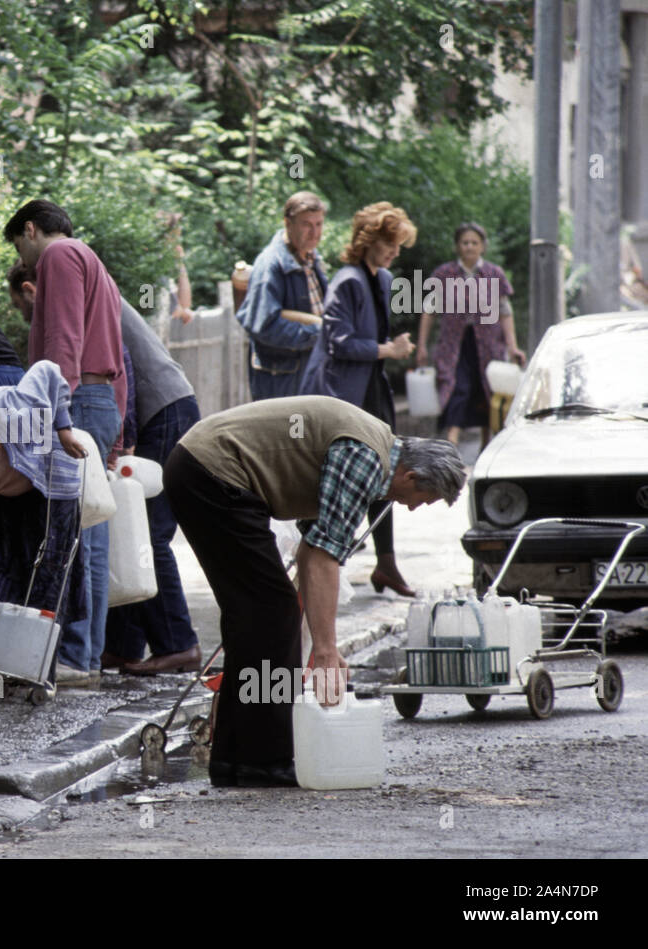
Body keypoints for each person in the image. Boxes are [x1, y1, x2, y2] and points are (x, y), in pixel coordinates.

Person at [165, 395, 465, 786]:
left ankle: (234, 759)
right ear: (410, 476)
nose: (410, 508)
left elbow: (311, 551)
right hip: (213, 474)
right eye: (420, 500)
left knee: (258, 618)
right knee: (272, 614)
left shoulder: (370, 449)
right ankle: (264, 760)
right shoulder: (365, 457)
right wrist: (325, 649)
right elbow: (324, 556)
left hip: (203, 471)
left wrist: (314, 631)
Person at [3, 201, 125, 685]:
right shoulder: (92, 260)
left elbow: (64, 339)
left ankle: (76, 656)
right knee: (89, 533)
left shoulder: (59, 255)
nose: (25, 262)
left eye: (19, 246)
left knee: (74, 533)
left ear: (30, 230)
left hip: (77, 401)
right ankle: (86, 655)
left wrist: (56, 412)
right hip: (99, 399)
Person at [0, 361, 90, 687]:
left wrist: (63, 429)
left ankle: (39, 675)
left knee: (48, 578)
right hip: (10, 492)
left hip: (52, 483)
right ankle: (4, 674)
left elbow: (50, 370)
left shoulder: (14, 414)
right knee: (2, 572)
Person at [300, 201, 419, 598]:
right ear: (369, 240)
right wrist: (389, 350)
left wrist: (388, 349)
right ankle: (318, 565)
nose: (395, 252)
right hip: (343, 393)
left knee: (386, 470)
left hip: (371, 389)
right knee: (341, 476)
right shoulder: (347, 280)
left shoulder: (382, 278)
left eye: (398, 245)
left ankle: (386, 561)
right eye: (390, 243)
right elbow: (339, 342)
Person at [102, 297, 203, 675]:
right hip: (167, 406)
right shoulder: (86, 276)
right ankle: (124, 645)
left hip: (161, 411)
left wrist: (123, 435)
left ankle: (178, 645)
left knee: (145, 535)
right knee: (130, 532)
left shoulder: (68, 276)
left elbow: (118, 363)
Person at [416, 222, 523, 450]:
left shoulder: (494, 274)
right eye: (464, 242)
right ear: (457, 247)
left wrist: (513, 347)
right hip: (454, 346)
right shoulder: (445, 274)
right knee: (456, 387)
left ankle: (487, 445)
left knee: (486, 390)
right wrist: (422, 345)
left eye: (474, 242)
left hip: (488, 346)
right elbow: (429, 311)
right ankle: (452, 441)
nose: (469, 247)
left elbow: (505, 312)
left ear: (483, 246)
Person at [236, 192, 329, 399]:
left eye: (319, 224)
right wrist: (318, 333)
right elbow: (264, 325)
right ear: (288, 223)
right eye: (307, 224)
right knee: (284, 432)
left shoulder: (311, 258)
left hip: (307, 374)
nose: (315, 233)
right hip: (282, 381)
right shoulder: (271, 264)